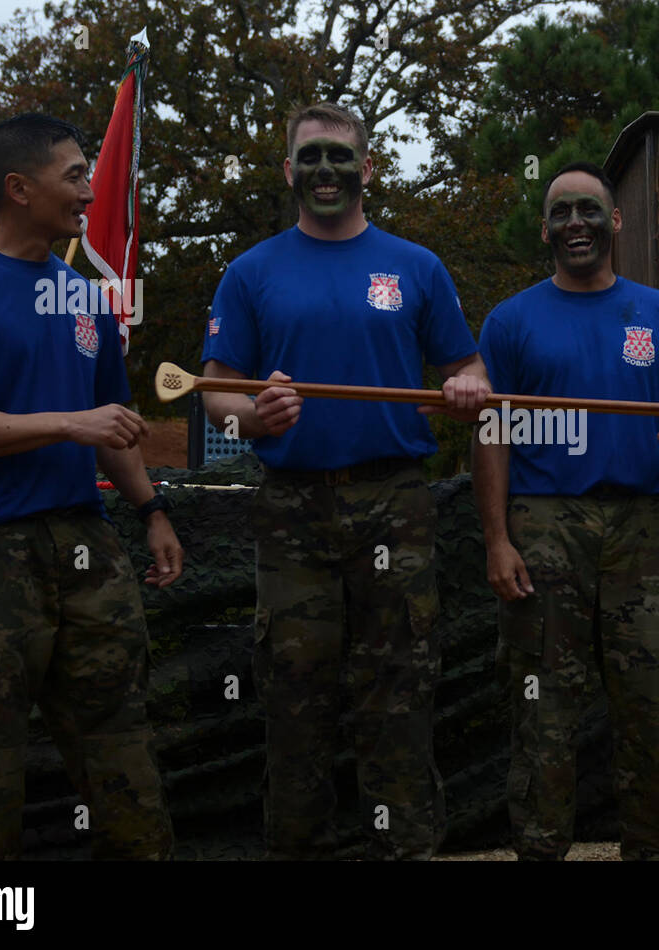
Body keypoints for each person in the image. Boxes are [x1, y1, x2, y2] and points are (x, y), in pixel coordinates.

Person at [200, 102, 490, 860]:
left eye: (339, 157)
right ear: (288, 170)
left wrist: (467, 386)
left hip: (396, 504)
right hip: (291, 507)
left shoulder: (418, 267)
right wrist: (252, 420)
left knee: (398, 693)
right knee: (295, 700)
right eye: (310, 157)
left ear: (367, 169)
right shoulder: (250, 272)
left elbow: (465, 368)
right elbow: (214, 395)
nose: (324, 170)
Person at [0, 112, 183, 860]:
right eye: (74, 176)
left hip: (87, 550)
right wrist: (65, 425)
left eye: (90, 174)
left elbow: (112, 426)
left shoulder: (85, 298)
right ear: (19, 188)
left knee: (124, 765)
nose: (89, 193)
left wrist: (151, 510)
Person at [474, 161, 659, 860]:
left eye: (589, 209)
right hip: (545, 523)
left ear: (614, 221)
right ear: (544, 230)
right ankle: (542, 851)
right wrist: (496, 539)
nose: (574, 222)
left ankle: (653, 851)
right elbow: (490, 433)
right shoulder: (510, 320)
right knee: (543, 710)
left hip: (643, 528)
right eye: (560, 213)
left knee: (651, 705)